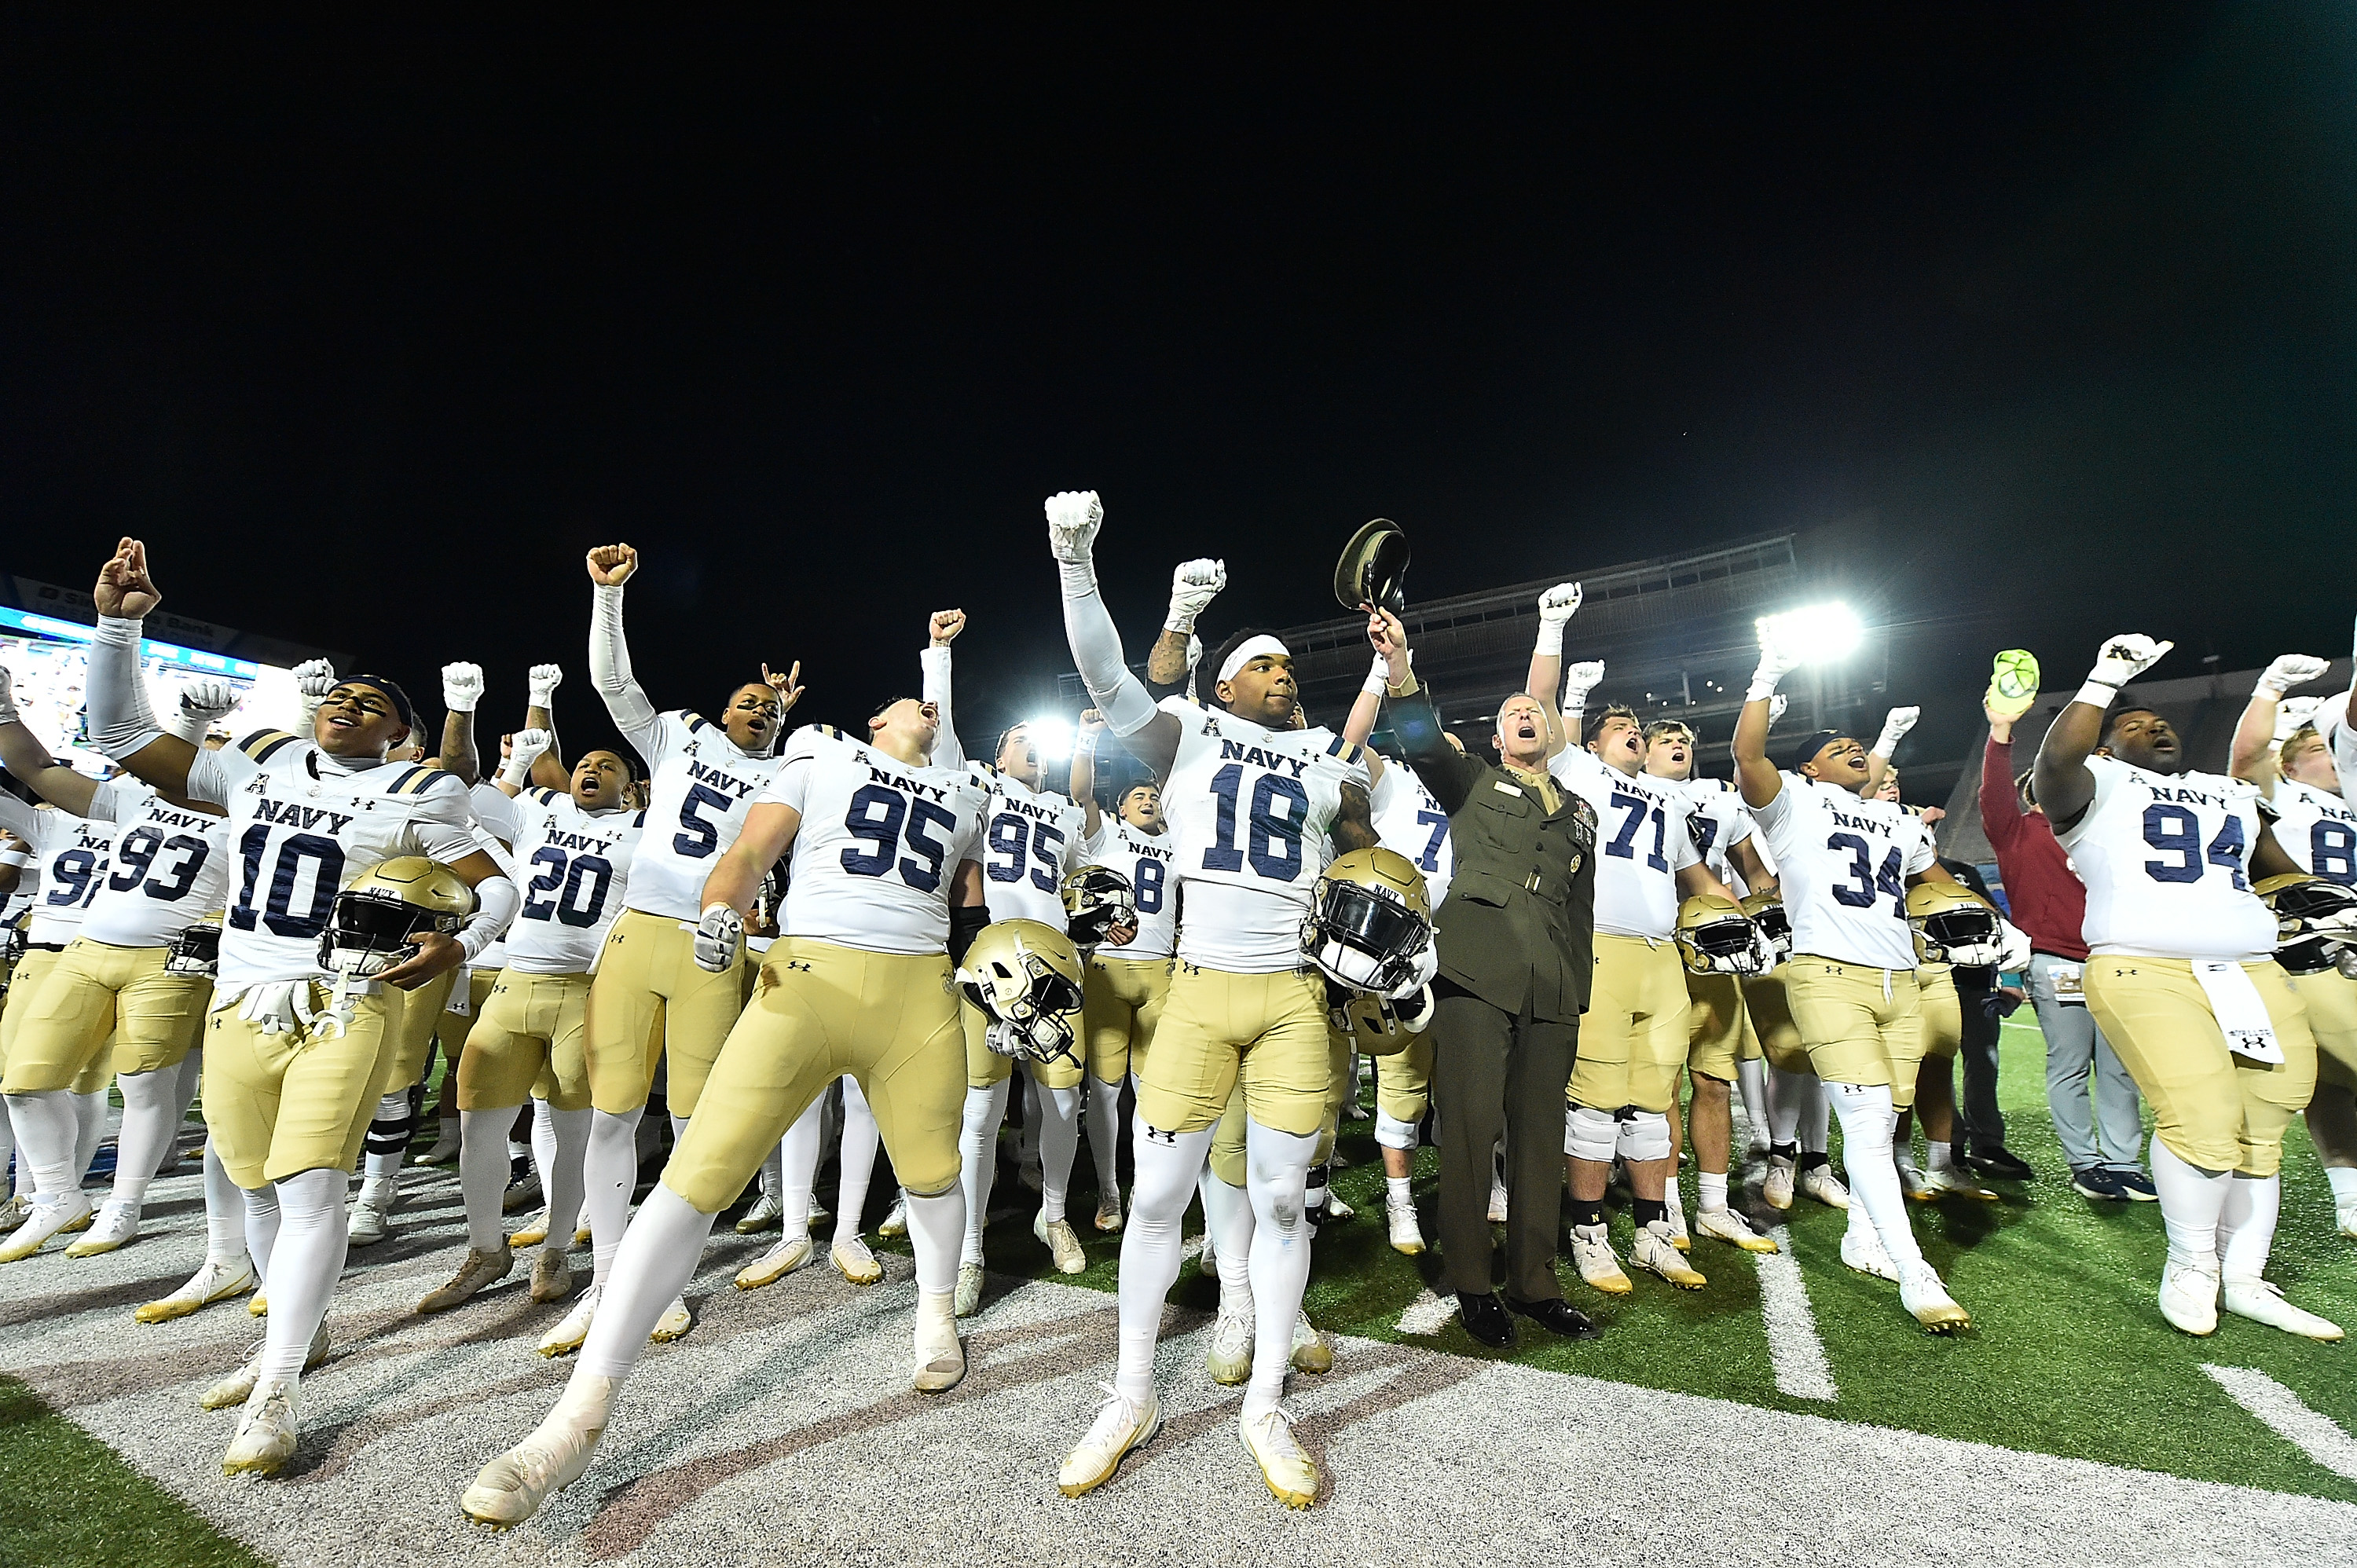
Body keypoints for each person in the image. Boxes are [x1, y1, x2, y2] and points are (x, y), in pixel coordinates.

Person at [460, 666, 989, 1527]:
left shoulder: (966, 793)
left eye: (935, 705)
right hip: (808, 974)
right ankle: (577, 1415)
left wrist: (1000, 963)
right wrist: (718, 907)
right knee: (697, 1175)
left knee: (933, 1170)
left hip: (919, 993)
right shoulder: (820, 755)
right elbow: (748, 851)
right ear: (874, 714)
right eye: (910, 698)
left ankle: (934, 1312)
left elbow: (972, 907)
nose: (925, 708)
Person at [82, 537, 520, 1475]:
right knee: (255, 1183)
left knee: (314, 1182)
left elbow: (499, 887)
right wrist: (119, 628)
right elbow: (120, 737)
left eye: (374, 703)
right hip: (240, 996)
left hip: (345, 998)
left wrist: (463, 941)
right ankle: (301, 1329)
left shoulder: (422, 789)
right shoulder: (257, 759)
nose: (349, 703)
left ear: (397, 732)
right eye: (340, 693)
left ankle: (279, 1383)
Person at [1049, 491, 1376, 1507]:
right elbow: (1111, 678)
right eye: (1269, 665)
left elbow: (1366, 845)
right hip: (1195, 989)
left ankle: (1266, 1403)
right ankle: (1132, 1392)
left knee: (1283, 1200)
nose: (1286, 676)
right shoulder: (1187, 731)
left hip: (1289, 998)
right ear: (1228, 683)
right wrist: (1076, 561)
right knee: (1154, 1200)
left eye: (1289, 667)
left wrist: (1386, 669)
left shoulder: (1325, 764)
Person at [2035, 636, 2337, 1339]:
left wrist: (2323, 901)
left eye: (2159, 721)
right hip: (2146, 965)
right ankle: (2192, 1264)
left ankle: (2246, 1279)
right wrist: (2103, 680)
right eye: (2133, 726)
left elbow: (2275, 866)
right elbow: (2056, 760)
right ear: (2108, 748)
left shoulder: (2227, 793)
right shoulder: (2096, 783)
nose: (2154, 726)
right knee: (2200, 1116)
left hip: (2251, 970)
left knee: (2266, 1124)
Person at [555, 542, 801, 1357]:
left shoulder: (791, 774)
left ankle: (658, 1278)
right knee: (614, 1111)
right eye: (748, 702)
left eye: (771, 708)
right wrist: (608, 598)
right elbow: (614, 685)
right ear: (721, 711)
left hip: (713, 944)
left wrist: (787, 722)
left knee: (694, 1122)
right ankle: (608, 1277)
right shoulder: (678, 736)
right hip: (639, 932)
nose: (758, 711)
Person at [1358, 595, 1600, 1352]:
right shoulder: (1469, 782)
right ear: (1497, 738)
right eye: (1512, 711)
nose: (1526, 715)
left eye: (1537, 709)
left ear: (1557, 731)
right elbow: (1422, 738)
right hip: (1475, 968)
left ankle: (1535, 1281)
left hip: (1553, 981)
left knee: (1540, 1131)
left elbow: (1582, 907)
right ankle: (1473, 1282)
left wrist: (1578, 989)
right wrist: (1398, 663)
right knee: (1468, 1129)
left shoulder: (1582, 811)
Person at [1736, 625, 1972, 1332]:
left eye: (1857, 747)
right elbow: (1749, 753)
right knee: (1869, 1127)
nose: (1851, 750)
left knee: (1887, 1115)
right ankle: (1915, 1271)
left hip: (1900, 980)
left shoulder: (1898, 820)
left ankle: (1864, 1236)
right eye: (1834, 748)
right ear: (1808, 770)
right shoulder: (1794, 805)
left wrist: (1994, 922)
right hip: (1828, 976)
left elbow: (1934, 881)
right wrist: (1766, 672)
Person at [1523, 592, 1750, 1292]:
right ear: (1590, 742)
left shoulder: (1669, 799)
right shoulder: (1580, 773)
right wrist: (1553, 628)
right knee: (1593, 1101)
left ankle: (1653, 1228)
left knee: (1655, 1099)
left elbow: (1698, 878)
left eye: (1633, 728)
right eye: (1616, 727)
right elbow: (1537, 703)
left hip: (1662, 957)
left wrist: (1756, 919)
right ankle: (1589, 1232)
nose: (1629, 733)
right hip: (1599, 948)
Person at [415, 724, 644, 1315]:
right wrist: (513, 759)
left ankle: (558, 1246)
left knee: (573, 1134)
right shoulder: (539, 810)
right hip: (516, 985)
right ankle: (485, 1249)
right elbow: (459, 782)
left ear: (629, 787)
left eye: (608, 765)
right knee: (478, 1125)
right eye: (585, 761)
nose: (593, 769)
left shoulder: (641, 830)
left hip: (586, 993)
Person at [0, 679, 226, 1262]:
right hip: (85, 952)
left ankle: (124, 1204)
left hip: (167, 960)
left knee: (144, 1089)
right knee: (24, 1083)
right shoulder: (132, 800)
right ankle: (56, 1195)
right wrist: (3, 706)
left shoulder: (246, 819)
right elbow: (35, 768)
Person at [922, 610, 1094, 1295]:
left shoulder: (1063, 811)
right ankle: (968, 1247)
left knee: (1061, 1100)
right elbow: (943, 740)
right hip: (990, 956)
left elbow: (1081, 880)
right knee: (982, 1109)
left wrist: (1099, 923)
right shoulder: (979, 784)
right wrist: (939, 654)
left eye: (1038, 742)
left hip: (1056, 961)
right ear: (997, 757)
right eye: (1023, 738)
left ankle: (1051, 1215)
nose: (1034, 749)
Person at [1980, 683, 2153, 1199]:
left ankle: (2123, 1164)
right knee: (2071, 1064)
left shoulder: (2101, 830)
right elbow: (1992, 793)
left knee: (2121, 1069)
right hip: (2059, 962)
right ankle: (2085, 1163)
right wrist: (2001, 733)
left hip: (2116, 958)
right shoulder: (2017, 831)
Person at [1640, 718, 1783, 1247]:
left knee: (1714, 1083)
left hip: (1720, 950)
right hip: (1659, 951)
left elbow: (1754, 871)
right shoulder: (1633, 792)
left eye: (1685, 740)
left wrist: (1771, 917)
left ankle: (1714, 1205)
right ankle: (1669, 1202)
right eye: (1665, 740)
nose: (1678, 746)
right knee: (1661, 1090)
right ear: (1643, 752)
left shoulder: (1721, 799)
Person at [2230, 653, 2357, 1241]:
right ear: (2291, 763)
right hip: (2312, 945)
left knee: (2329, 1085)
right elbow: (2247, 761)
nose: (2334, 760)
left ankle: (2349, 1199)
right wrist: (2272, 696)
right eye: (2320, 752)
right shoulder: (2282, 795)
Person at [1072, 716, 1177, 1235]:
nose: (1148, 799)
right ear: (1119, 808)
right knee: (1106, 1090)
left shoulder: (1178, 844)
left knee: (1155, 1091)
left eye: (1152, 794)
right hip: (1110, 972)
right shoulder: (1106, 836)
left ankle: (1148, 1186)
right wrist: (1086, 738)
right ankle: (1110, 1190)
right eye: (1138, 795)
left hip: (1162, 973)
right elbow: (1080, 792)